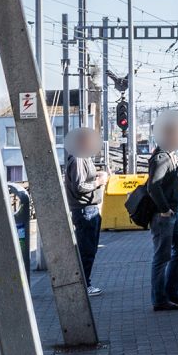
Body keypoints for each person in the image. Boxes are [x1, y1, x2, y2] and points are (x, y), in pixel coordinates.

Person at [147, 110, 178, 312]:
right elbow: (153, 186)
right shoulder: (161, 158)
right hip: (163, 216)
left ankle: (171, 293)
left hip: (173, 214)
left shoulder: (168, 155)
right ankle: (159, 300)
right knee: (161, 257)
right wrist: (164, 209)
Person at [64, 127, 108, 297]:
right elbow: (80, 186)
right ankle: (84, 285)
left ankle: (84, 283)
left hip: (87, 209)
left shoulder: (81, 158)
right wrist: (99, 182)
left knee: (87, 249)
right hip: (85, 210)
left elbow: (81, 178)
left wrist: (97, 173)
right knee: (86, 250)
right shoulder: (78, 159)